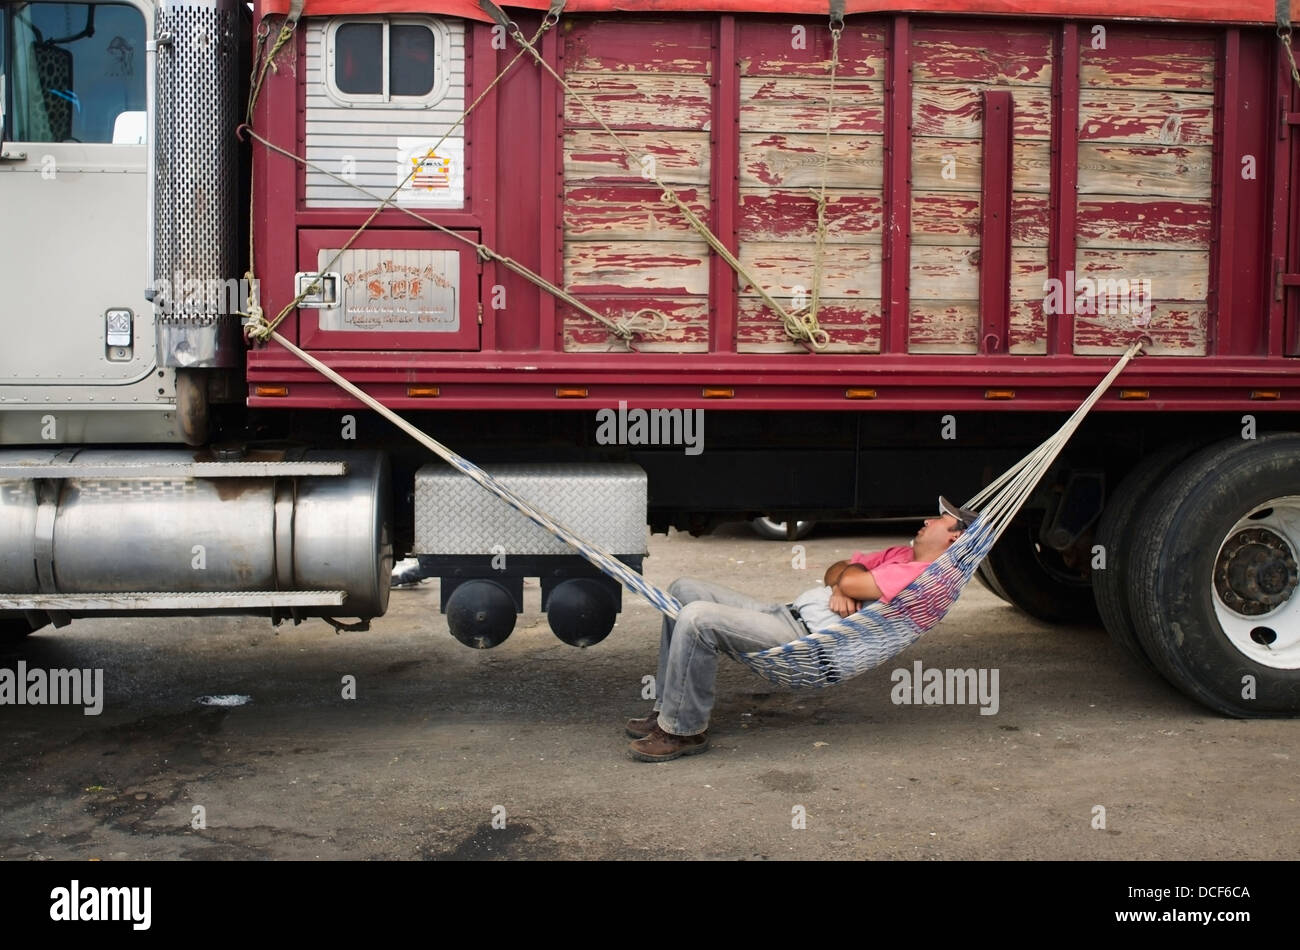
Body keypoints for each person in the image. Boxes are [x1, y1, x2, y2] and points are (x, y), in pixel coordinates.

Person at [626, 495, 978, 762]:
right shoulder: (899, 555)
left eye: (940, 520)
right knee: (683, 589)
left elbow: (851, 580)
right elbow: (837, 570)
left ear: (952, 540)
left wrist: (848, 582)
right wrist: (845, 582)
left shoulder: (922, 580)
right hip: (783, 613)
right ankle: (667, 709)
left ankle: (684, 731)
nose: (928, 520)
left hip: (803, 643)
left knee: (697, 617)